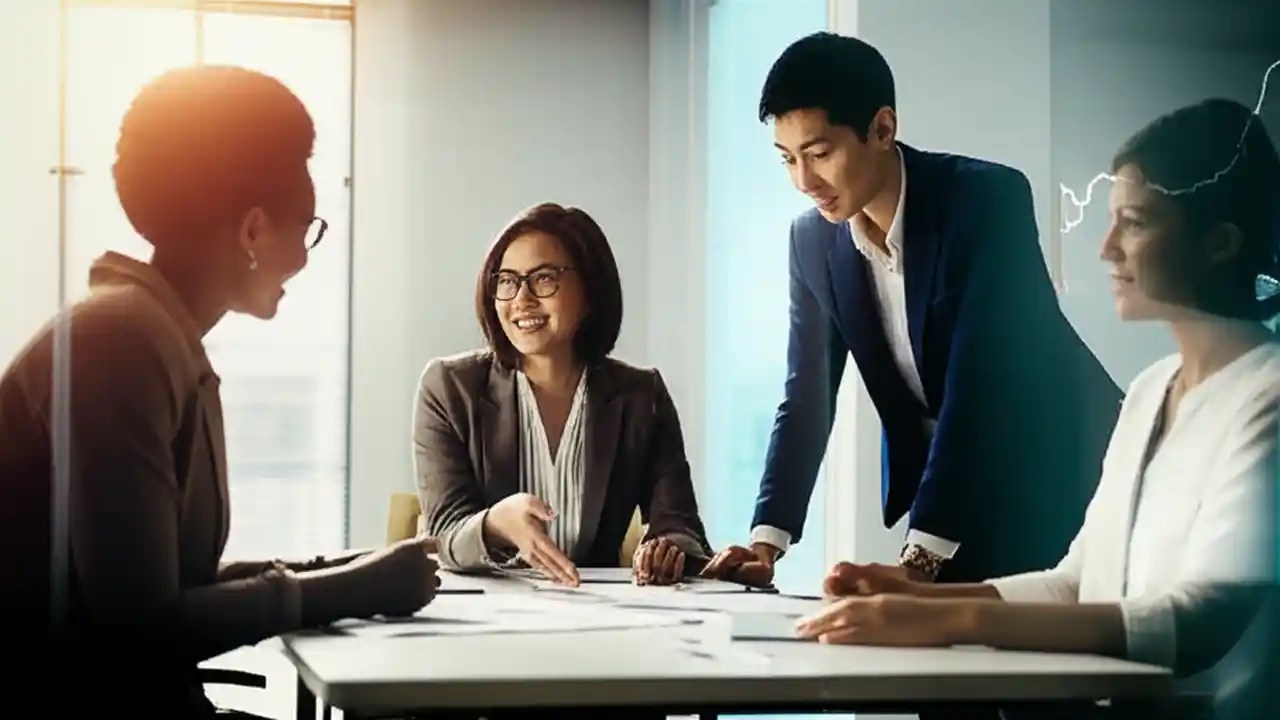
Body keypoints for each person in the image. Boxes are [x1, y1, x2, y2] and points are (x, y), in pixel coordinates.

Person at [799, 98, 1280, 720]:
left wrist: (943, 619)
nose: (1106, 248)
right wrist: (917, 597)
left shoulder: (1265, 398)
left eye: (1134, 223)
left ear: (1220, 242)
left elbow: (1198, 624)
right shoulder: (1148, 392)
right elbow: (1076, 582)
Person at [0, 65, 439, 718]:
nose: (307, 256)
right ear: (253, 230)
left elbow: (173, 584)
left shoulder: (153, 335)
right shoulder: (119, 342)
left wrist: (338, 567)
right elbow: (140, 626)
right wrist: (349, 589)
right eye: (309, 228)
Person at [702, 32, 1123, 590]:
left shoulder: (984, 202)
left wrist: (918, 561)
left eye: (820, 154)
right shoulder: (813, 242)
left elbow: (981, 388)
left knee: (1052, 669)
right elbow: (806, 396)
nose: (804, 182)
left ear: (882, 129)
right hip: (953, 494)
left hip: (1061, 477)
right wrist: (766, 545)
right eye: (788, 159)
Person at [416, 202, 711, 587]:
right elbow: (445, 535)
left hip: (599, 611)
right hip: (486, 615)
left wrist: (666, 551)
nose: (521, 299)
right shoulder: (449, 388)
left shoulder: (641, 396)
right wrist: (495, 524)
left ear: (590, 291)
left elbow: (680, 525)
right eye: (506, 280)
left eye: (543, 278)